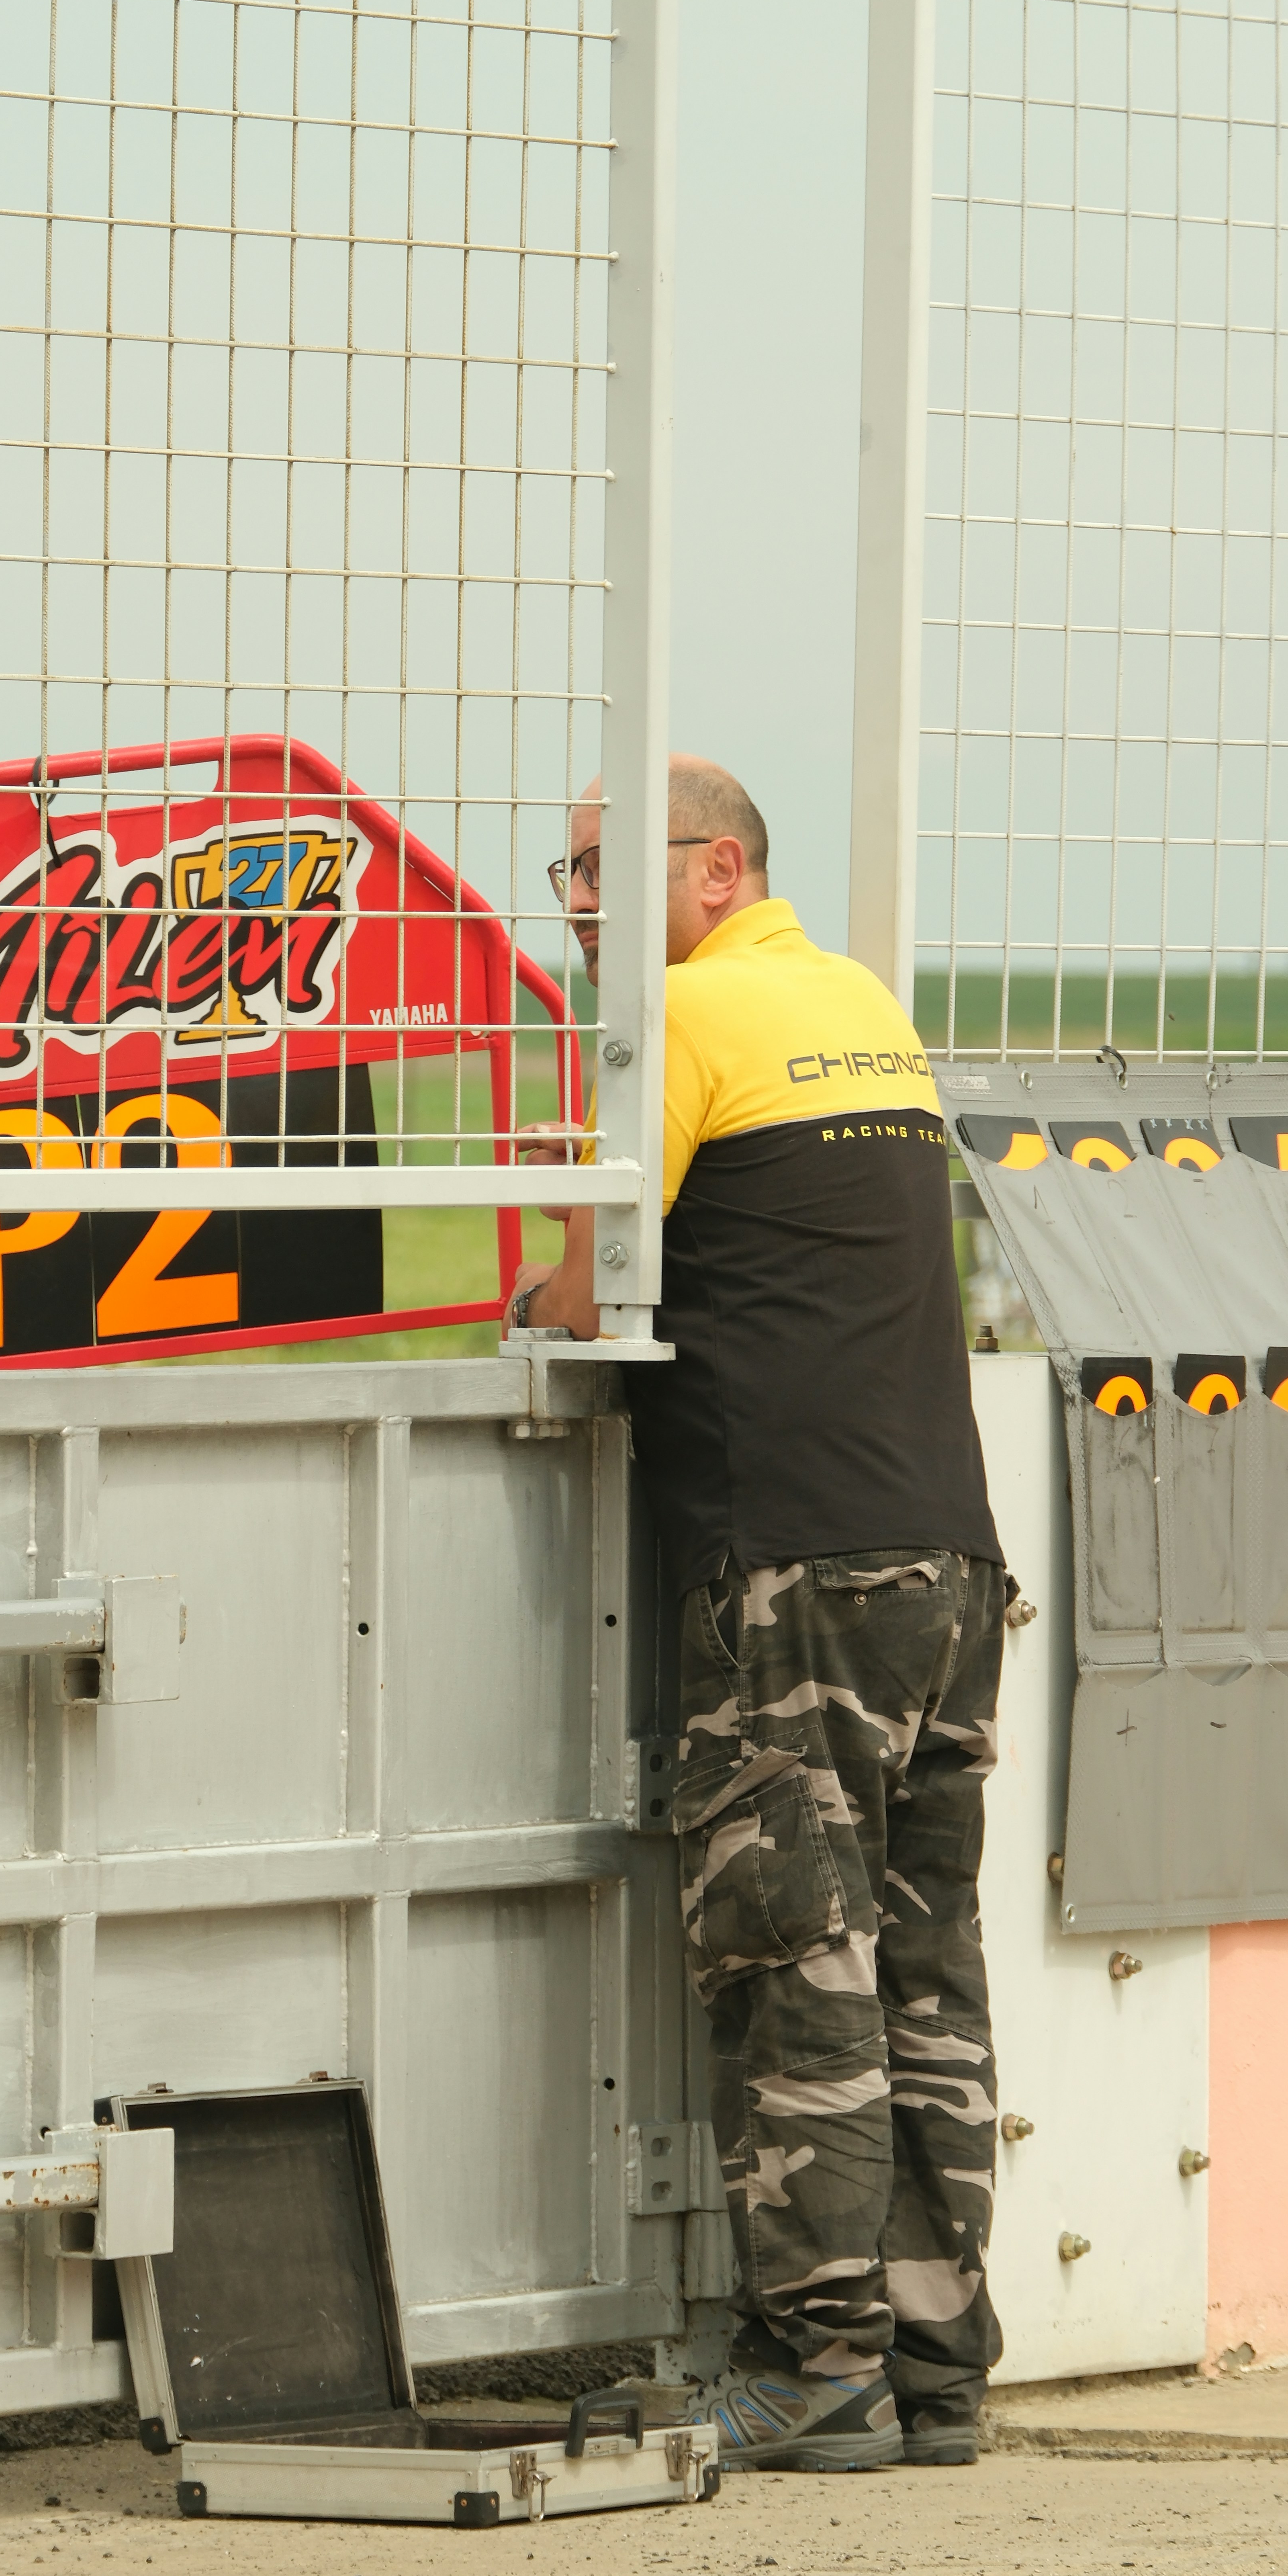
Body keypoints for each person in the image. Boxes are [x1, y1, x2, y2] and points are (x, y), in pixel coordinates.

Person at [516, 758, 1007, 2474]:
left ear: (715, 869)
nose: (573, 903)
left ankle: (813, 2369)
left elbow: (594, 1272)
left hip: (793, 1572)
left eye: (599, 869)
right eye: (562, 870)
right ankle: (936, 2367)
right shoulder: (856, 1003)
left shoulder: (682, 1019)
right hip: (949, 1560)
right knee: (923, 1967)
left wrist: (537, 1302)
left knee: (793, 1967)